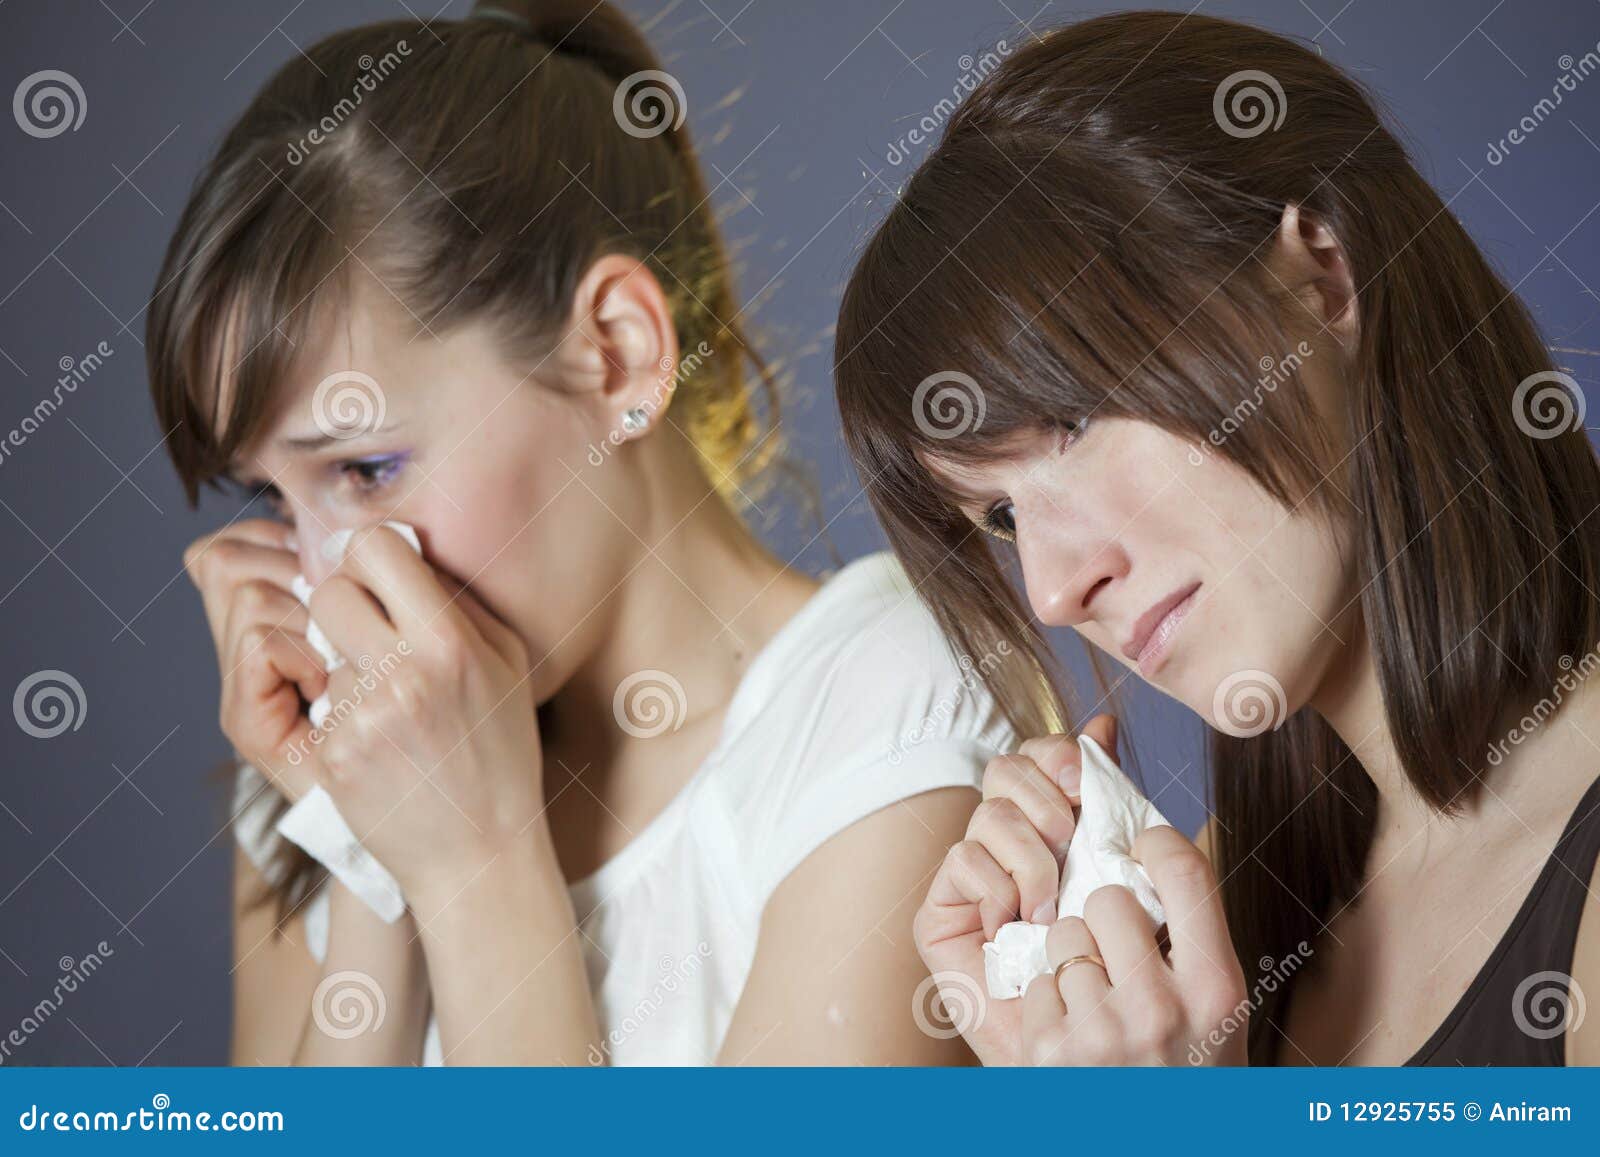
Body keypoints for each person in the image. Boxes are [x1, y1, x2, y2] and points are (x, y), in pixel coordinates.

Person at [149, 0, 1012, 1066]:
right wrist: (375, 866)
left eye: (365, 468)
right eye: (272, 501)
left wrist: (474, 864)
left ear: (616, 352)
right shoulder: (320, 773)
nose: (323, 575)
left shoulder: (888, 715)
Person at [833, 10, 1600, 1065]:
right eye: (1002, 518)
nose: (1055, 588)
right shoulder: (1212, 920)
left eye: (1074, 420)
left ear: (1323, 278)